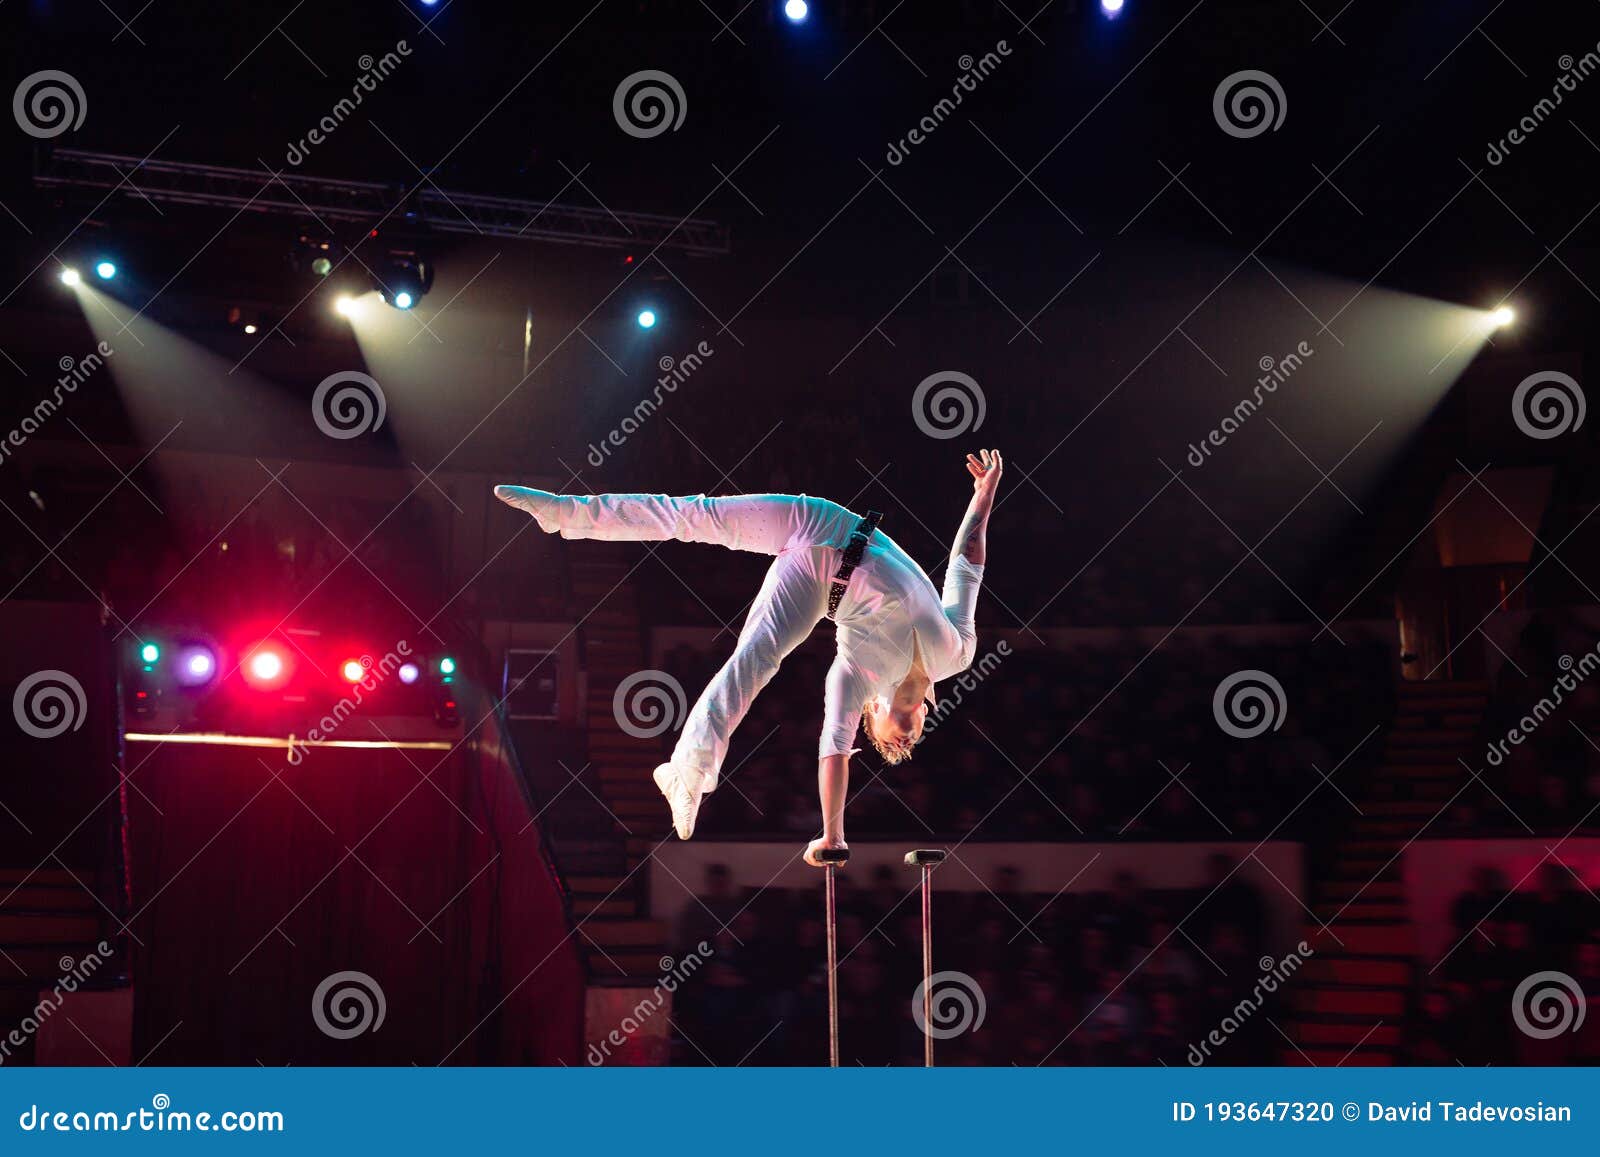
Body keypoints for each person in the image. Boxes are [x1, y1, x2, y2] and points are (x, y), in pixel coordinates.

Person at [495, 449, 1003, 866]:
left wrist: (833, 836)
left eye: (892, 740)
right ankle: (563, 513)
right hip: (821, 520)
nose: (907, 737)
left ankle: (686, 774)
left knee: (754, 660)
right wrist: (983, 498)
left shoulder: (853, 676)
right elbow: (966, 567)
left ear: (872, 709)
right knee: (693, 515)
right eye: (909, 739)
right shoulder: (957, 654)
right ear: (928, 711)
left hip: (814, 584)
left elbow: (834, 752)